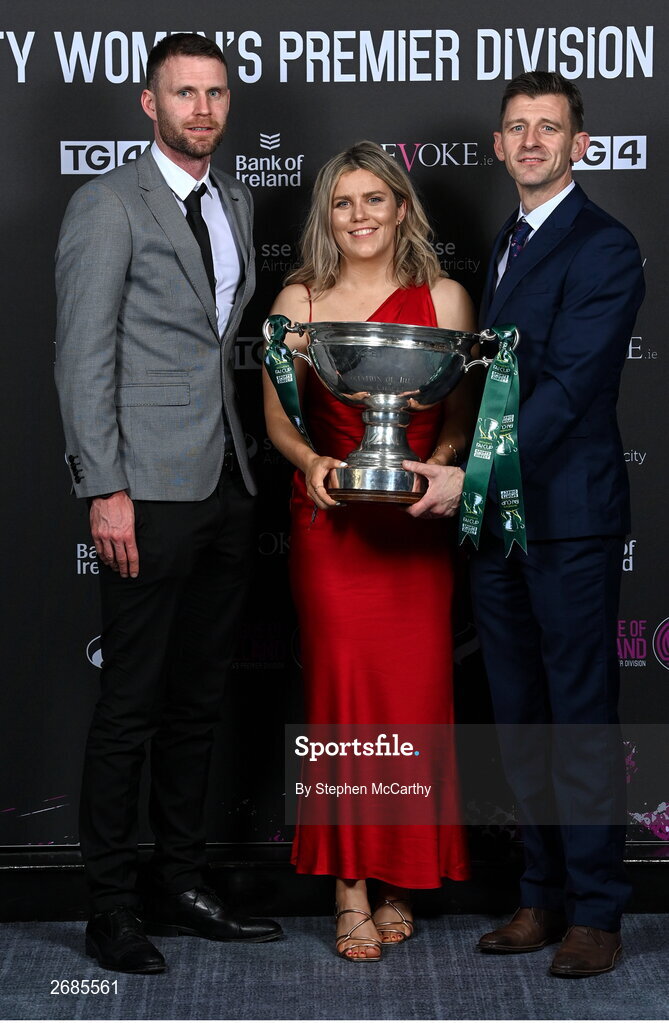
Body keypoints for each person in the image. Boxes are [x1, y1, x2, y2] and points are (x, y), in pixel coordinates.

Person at [407, 72, 645, 977]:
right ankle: (540, 895)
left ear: (580, 144)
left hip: (568, 521)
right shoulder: (505, 240)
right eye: (518, 128)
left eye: (550, 127)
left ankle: (595, 910)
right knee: (518, 716)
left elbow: (569, 391)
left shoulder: (604, 246)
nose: (533, 140)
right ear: (499, 147)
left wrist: (465, 470)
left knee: (577, 716)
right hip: (497, 523)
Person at [54, 33, 281, 974]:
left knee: (199, 700)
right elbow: (82, 355)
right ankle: (111, 904)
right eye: (183, 94)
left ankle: (181, 881)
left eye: (216, 94)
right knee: (131, 705)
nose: (202, 110)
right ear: (149, 104)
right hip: (143, 487)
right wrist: (104, 487)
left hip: (227, 481)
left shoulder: (234, 196)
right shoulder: (107, 203)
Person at [263, 140, 473, 962]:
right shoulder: (299, 300)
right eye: (343, 202)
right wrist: (310, 459)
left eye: (373, 200)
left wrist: (444, 465)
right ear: (327, 214)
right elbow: (277, 413)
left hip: (415, 523)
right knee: (344, 708)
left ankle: (397, 875)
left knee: (412, 704)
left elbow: (459, 409)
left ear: (399, 208)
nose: (359, 216)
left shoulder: (445, 298)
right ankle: (348, 884)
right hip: (332, 527)